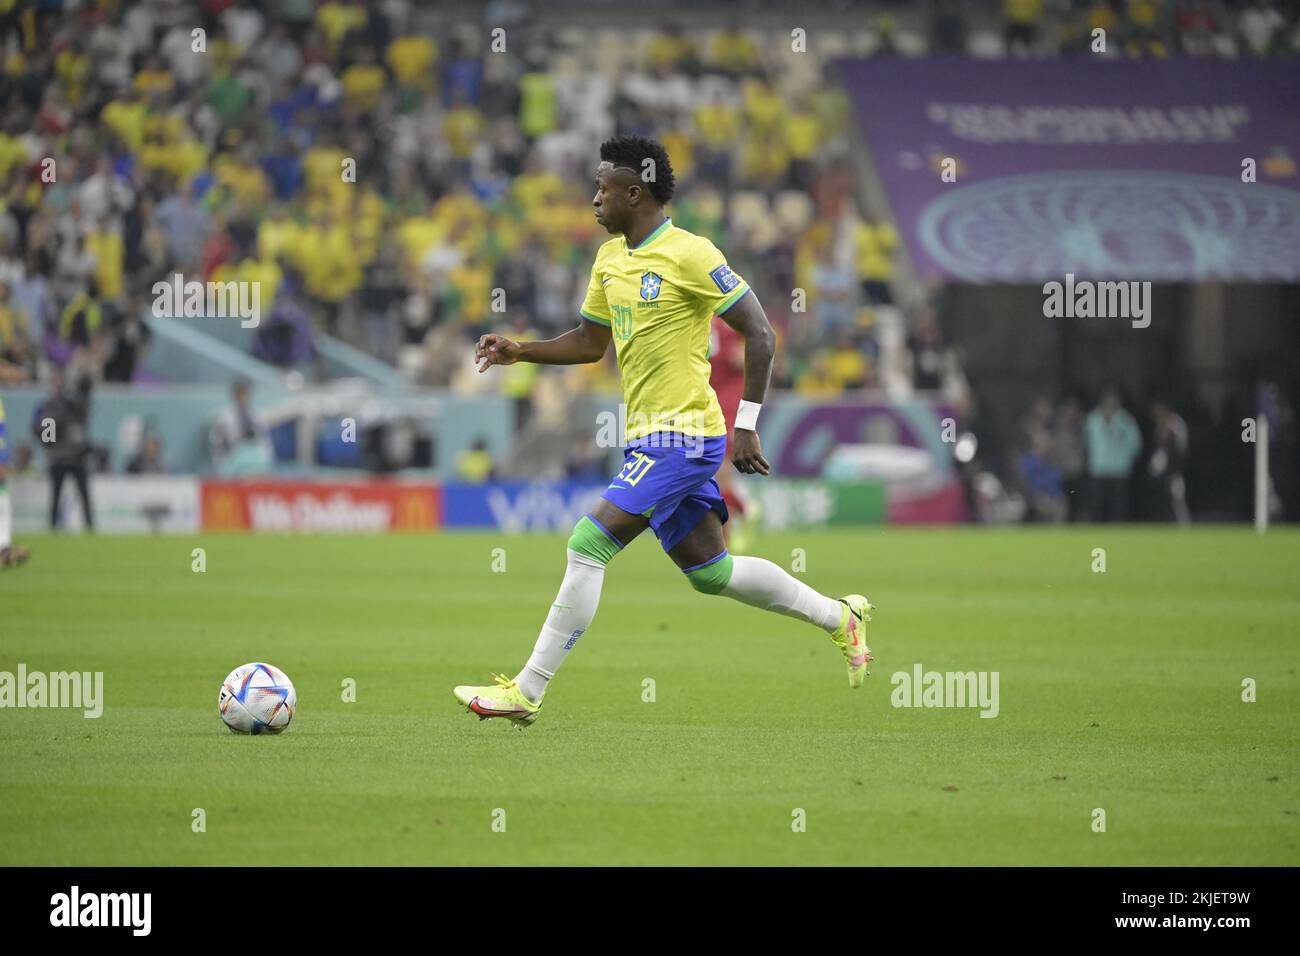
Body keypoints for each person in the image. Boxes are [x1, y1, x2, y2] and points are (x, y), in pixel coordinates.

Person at [452, 136, 875, 725]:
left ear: (635, 192)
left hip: (684, 437)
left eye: (602, 188)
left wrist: (745, 426)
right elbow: (590, 342)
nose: (593, 198)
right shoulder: (608, 259)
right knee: (713, 572)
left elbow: (762, 333)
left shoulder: (691, 254)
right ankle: (840, 617)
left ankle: (526, 691)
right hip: (647, 435)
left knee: (587, 543)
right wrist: (520, 351)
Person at [33, 361, 95, 532]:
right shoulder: (48, 405)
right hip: (59, 457)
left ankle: (90, 527)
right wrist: (51, 444)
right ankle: (53, 527)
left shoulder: (73, 403)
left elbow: (84, 414)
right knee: (56, 495)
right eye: (57, 381)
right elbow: (43, 432)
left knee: (84, 496)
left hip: (77, 457)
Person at [1084, 388, 1141, 522]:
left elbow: (1135, 445)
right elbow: (1086, 442)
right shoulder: (1093, 419)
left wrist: (1126, 459)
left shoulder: (1126, 421)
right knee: (1096, 506)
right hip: (1099, 470)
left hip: (1119, 470)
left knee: (1118, 507)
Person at [1149, 400, 1190, 525]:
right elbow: (1160, 449)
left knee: (1178, 499)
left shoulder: (1176, 424)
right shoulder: (1160, 427)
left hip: (1176, 471)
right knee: (1165, 501)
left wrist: (1168, 461)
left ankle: (1184, 525)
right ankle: (1168, 523)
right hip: (1165, 473)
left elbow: (1180, 449)